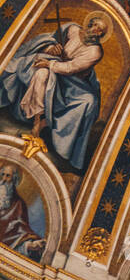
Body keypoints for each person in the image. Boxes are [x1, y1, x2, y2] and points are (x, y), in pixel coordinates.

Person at [0, 14, 109, 169]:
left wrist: (49, 64)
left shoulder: (95, 52)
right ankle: (38, 120)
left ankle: (60, 141)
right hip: (53, 66)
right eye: (95, 25)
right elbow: (50, 39)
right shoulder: (72, 29)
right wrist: (51, 48)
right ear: (89, 23)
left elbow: (71, 68)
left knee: (88, 101)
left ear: (101, 35)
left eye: (100, 31)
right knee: (40, 74)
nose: (96, 31)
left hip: (73, 83)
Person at [0, 162, 44, 257]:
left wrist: (29, 245)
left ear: (14, 179)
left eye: (8, 176)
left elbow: (20, 231)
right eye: (2, 174)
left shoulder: (18, 204)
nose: (3, 179)